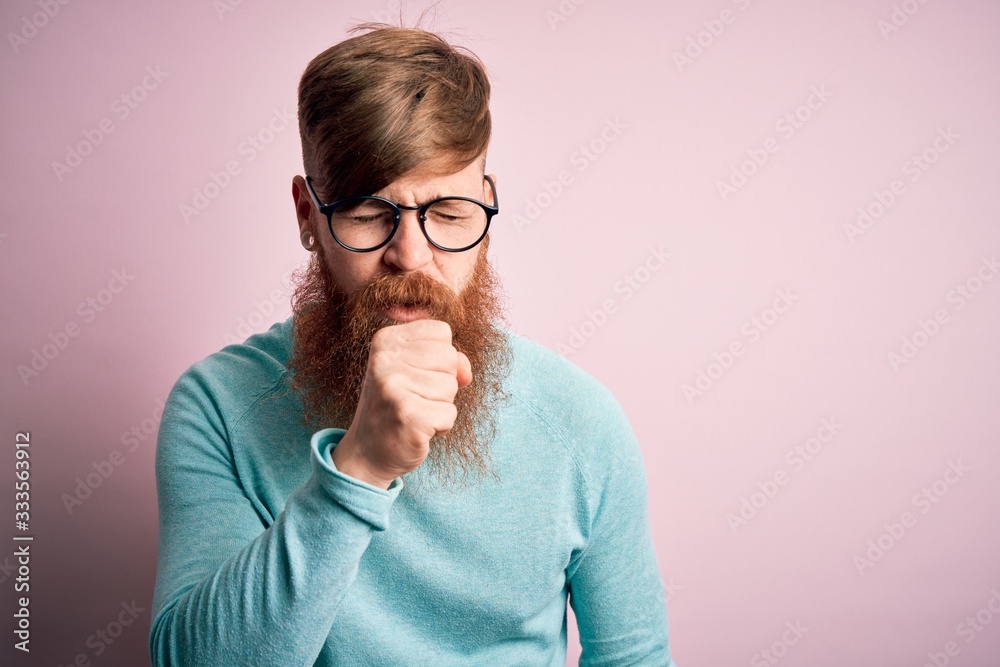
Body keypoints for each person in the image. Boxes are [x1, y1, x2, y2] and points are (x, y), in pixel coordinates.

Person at [149, 23, 678, 667]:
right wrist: (359, 469)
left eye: (449, 213)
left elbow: (634, 658)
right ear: (307, 214)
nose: (410, 256)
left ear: (487, 211)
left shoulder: (580, 422)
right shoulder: (216, 406)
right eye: (368, 214)